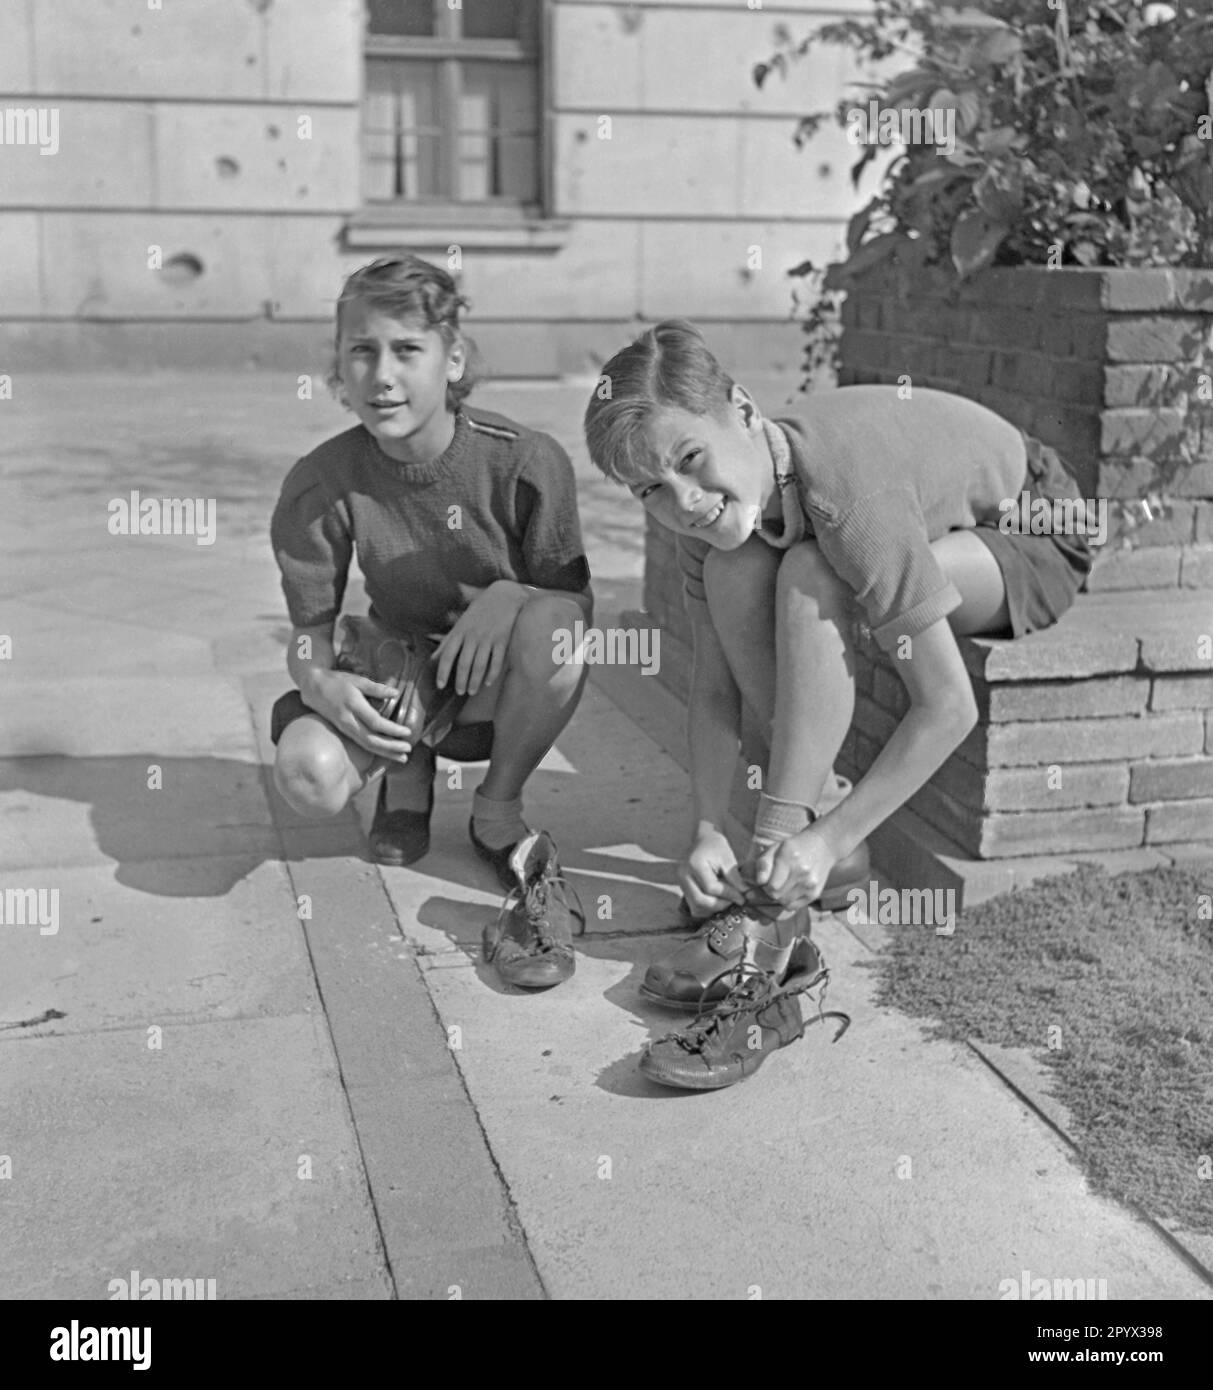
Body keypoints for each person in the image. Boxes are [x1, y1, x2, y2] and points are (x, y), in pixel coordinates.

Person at [583, 320, 1094, 1088]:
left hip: (1030, 527)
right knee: (738, 574)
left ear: (744, 411)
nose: (683, 503)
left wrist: (816, 842)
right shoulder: (709, 521)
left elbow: (947, 706)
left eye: (691, 460)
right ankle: (792, 859)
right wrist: (701, 829)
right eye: (650, 489)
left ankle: (792, 874)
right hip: (912, 518)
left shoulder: (848, 492)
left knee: (812, 575)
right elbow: (713, 686)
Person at [269, 255, 592, 987]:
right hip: (399, 672)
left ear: (453, 359)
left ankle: (496, 809)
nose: (382, 375)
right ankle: (404, 769)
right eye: (361, 350)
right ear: (339, 370)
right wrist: (321, 688)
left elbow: (573, 609)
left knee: (556, 630)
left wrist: (509, 596)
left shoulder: (524, 461)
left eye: (407, 349)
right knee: (307, 774)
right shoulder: (321, 481)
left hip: (495, 678)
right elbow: (306, 634)